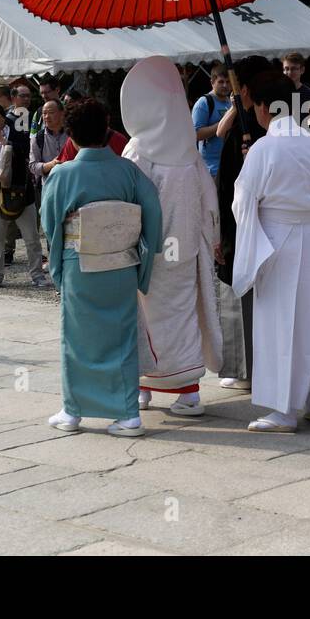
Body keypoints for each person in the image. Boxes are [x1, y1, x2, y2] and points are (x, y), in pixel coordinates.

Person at [41, 98, 163, 437]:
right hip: (122, 263)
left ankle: (73, 410)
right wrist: (144, 259)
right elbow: (153, 213)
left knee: (77, 338)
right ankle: (128, 415)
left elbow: (49, 222)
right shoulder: (128, 171)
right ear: (108, 130)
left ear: (72, 136)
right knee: (122, 337)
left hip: (79, 263)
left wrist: (57, 264)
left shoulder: (63, 174)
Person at [233, 71, 310, 432]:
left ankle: (282, 410)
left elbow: (243, 202)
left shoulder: (265, 147)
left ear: (264, 107)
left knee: (281, 323)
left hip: (278, 239)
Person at [120, 57, 222, 416]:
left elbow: (126, 200)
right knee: (183, 314)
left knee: (144, 317)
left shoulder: (138, 149)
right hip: (187, 248)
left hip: (149, 250)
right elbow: (209, 200)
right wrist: (213, 239)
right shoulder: (188, 149)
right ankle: (189, 393)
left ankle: (143, 390)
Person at [214, 55, 273, 390]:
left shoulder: (257, 128)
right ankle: (257, 366)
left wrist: (222, 231)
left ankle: (246, 369)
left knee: (243, 290)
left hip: (244, 221)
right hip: (264, 223)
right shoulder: (252, 120)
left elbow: (229, 188)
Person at [0, 100, 49, 289]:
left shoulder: (19, 134)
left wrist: (3, 141)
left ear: (3, 115)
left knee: (31, 237)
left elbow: (23, 155)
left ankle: (37, 274)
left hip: (21, 193)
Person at [192, 62, 233, 179]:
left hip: (227, 167)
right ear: (212, 82)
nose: (225, 85)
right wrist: (223, 123)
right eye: (221, 82)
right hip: (209, 170)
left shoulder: (231, 103)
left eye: (228, 82)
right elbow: (196, 134)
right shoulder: (203, 103)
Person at [29, 99, 69, 206]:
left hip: (72, 187)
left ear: (62, 113)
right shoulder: (37, 138)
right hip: (49, 189)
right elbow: (32, 166)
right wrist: (51, 164)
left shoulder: (73, 135)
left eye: (51, 112)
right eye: (44, 113)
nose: (46, 117)